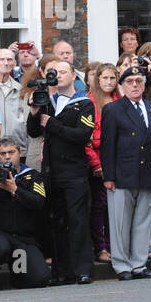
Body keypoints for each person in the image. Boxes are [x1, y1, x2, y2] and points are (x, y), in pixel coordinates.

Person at [27, 57, 95, 286]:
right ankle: (62, 271)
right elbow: (34, 131)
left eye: (63, 72)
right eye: (54, 72)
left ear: (73, 76)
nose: (59, 75)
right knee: (57, 222)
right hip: (52, 170)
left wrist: (52, 124)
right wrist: (35, 112)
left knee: (78, 221)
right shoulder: (48, 100)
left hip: (74, 171)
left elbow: (82, 135)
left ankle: (83, 269)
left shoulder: (83, 103)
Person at [99, 65, 151, 280]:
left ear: (144, 84)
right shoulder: (113, 109)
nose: (135, 85)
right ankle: (122, 265)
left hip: (148, 172)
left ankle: (139, 264)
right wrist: (108, 176)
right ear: (122, 85)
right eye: (130, 82)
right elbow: (108, 145)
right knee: (120, 223)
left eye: (138, 81)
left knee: (143, 222)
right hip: (122, 173)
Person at [0, 138, 51, 289]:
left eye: (11, 152)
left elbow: (39, 202)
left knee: (39, 278)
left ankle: (17, 273)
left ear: (19, 153)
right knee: (0, 248)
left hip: (22, 238)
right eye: (3, 153)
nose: (7, 157)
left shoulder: (33, 176)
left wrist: (15, 190)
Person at [86, 63, 119, 264]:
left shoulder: (120, 100)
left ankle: (116, 244)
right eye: (105, 78)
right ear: (97, 80)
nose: (108, 82)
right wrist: (96, 164)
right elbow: (86, 140)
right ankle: (102, 247)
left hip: (118, 160)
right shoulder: (90, 102)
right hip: (98, 162)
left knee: (115, 206)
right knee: (100, 205)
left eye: (112, 78)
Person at [0, 47, 28, 156]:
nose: (6, 63)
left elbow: (27, 121)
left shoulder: (22, 90)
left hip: (18, 150)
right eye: (2, 59)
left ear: (15, 63)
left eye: (9, 60)